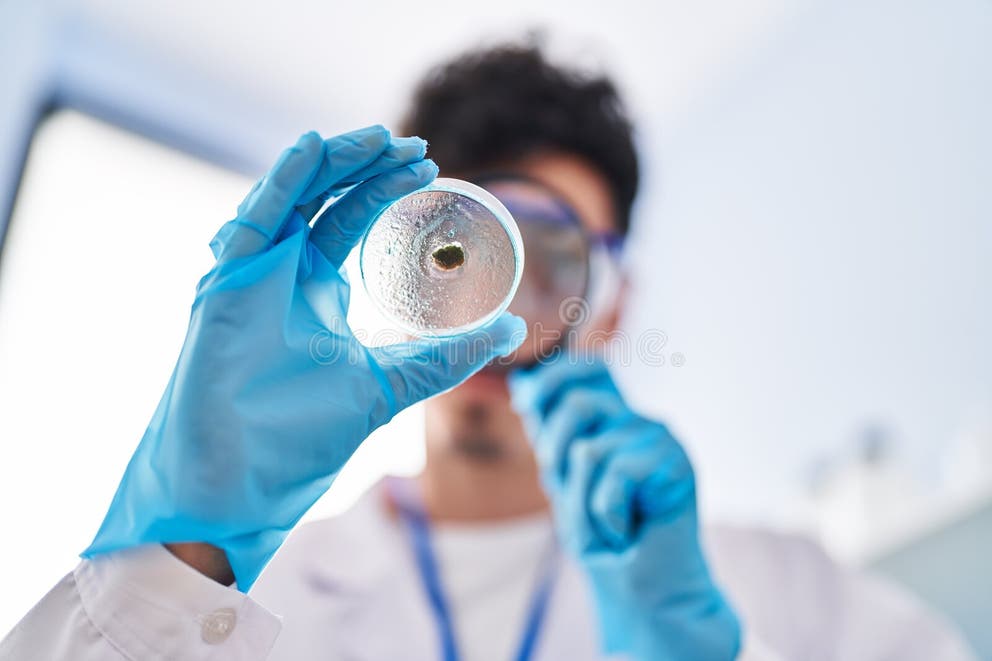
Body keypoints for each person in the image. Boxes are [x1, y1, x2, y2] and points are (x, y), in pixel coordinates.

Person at [0, 44, 977, 661]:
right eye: (459, 252)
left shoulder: (779, 589)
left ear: (616, 300)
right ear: (402, 269)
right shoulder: (257, 603)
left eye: (553, 258)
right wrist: (172, 562)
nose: (504, 303)